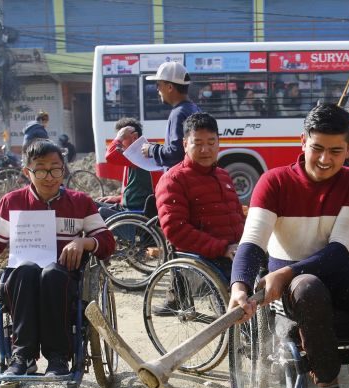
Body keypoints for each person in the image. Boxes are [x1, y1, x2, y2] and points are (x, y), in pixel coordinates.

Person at [228, 103, 349, 388]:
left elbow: (339, 252)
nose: (325, 160)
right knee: (308, 286)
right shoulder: (273, 182)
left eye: (336, 151)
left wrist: (284, 272)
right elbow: (252, 243)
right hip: (298, 292)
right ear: (303, 142)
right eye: (317, 149)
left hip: (336, 276)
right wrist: (239, 286)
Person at [0, 140, 115, 377]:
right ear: (27, 172)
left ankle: (58, 357)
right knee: (26, 270)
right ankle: (23, 356)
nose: (49, 176)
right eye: (40, 169)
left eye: (55, 168)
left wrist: (83, 242)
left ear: (64, 169)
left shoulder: (80, 202)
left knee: (51, 273)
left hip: (63, 275)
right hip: (22, 278)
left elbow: (107, 242)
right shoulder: (12, 202)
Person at [155, 112, 244, 278]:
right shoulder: (173, 180)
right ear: (185, 144)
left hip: (235, 252)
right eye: (197, 143)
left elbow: (238, 215)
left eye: (211, 142)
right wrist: (223, 248)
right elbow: (176, 230)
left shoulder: (223, 175)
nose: (205, 150)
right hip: (205, 259)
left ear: (219, 143)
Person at [141, 62, 201, 169]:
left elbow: (175, 153)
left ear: (169, 87)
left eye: (158, 85)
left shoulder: (178, 113)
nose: (157, 89)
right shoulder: (193, 108)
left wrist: (151, 150)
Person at [103, 117, 154, 213]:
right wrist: (118, 198)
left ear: (134, 137)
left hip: (133, 211)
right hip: (131, 206)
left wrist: (118, 138)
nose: (120, 144)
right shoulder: (136, 154)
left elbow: (109, 156)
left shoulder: (138, 153)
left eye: (123, 138)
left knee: (98, 210)